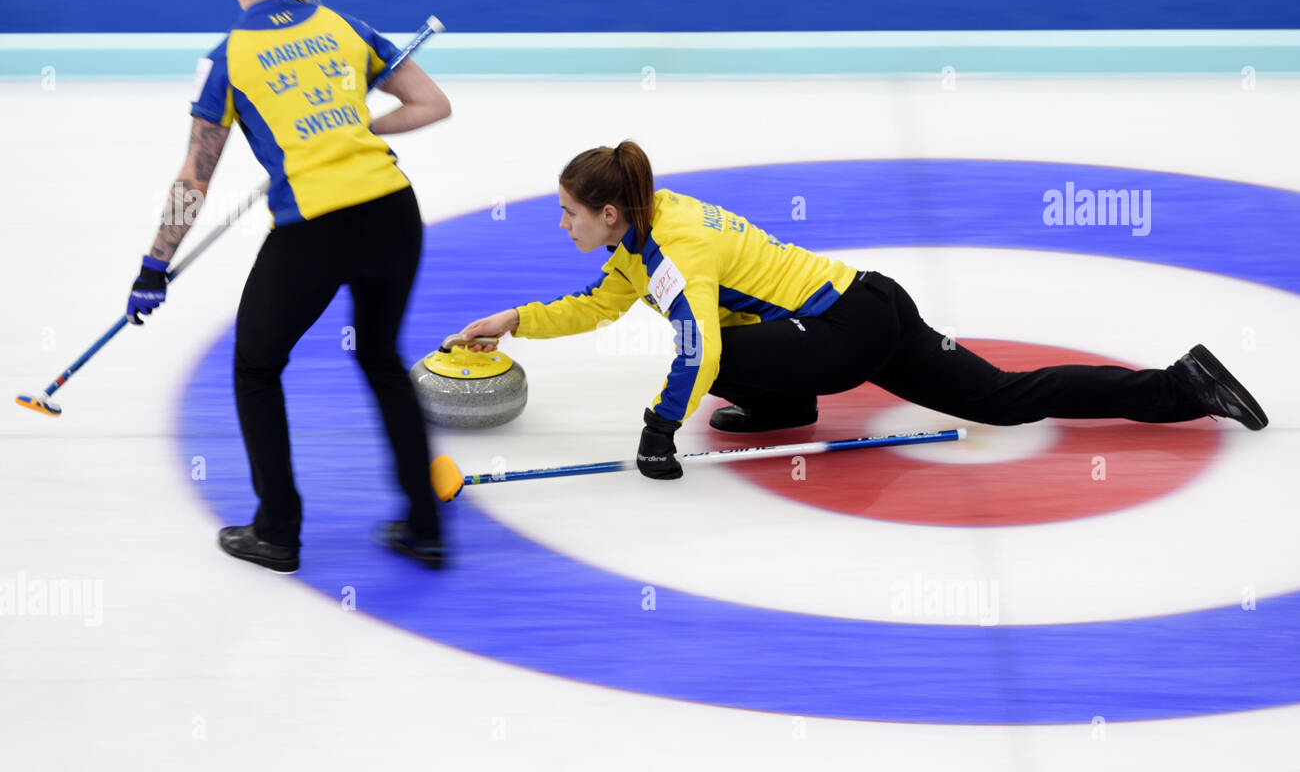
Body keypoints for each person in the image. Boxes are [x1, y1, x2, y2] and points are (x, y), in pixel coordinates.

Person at [458, 140, 1268, 479]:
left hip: (845, 332)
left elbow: (699, 348)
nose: (560, 222)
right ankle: (1179, 387)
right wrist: (516, 321)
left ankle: (788, 399)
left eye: (567, 211)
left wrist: (657, 431)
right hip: (870, 305)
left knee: (704, 351)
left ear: (608, 213)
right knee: (1005, 403)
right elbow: (601, 305)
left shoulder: (674, 250)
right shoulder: (644, 227)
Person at [125, 0, 451, 570]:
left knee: (256, 368)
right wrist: (360, 125)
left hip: (315, 228)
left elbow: (194, 178)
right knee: (383, 359)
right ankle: (425, 526)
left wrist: (153, 267)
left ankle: (277, 531)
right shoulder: (343, 24)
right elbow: (430, 103)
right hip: (392, 209)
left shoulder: (226, 58)